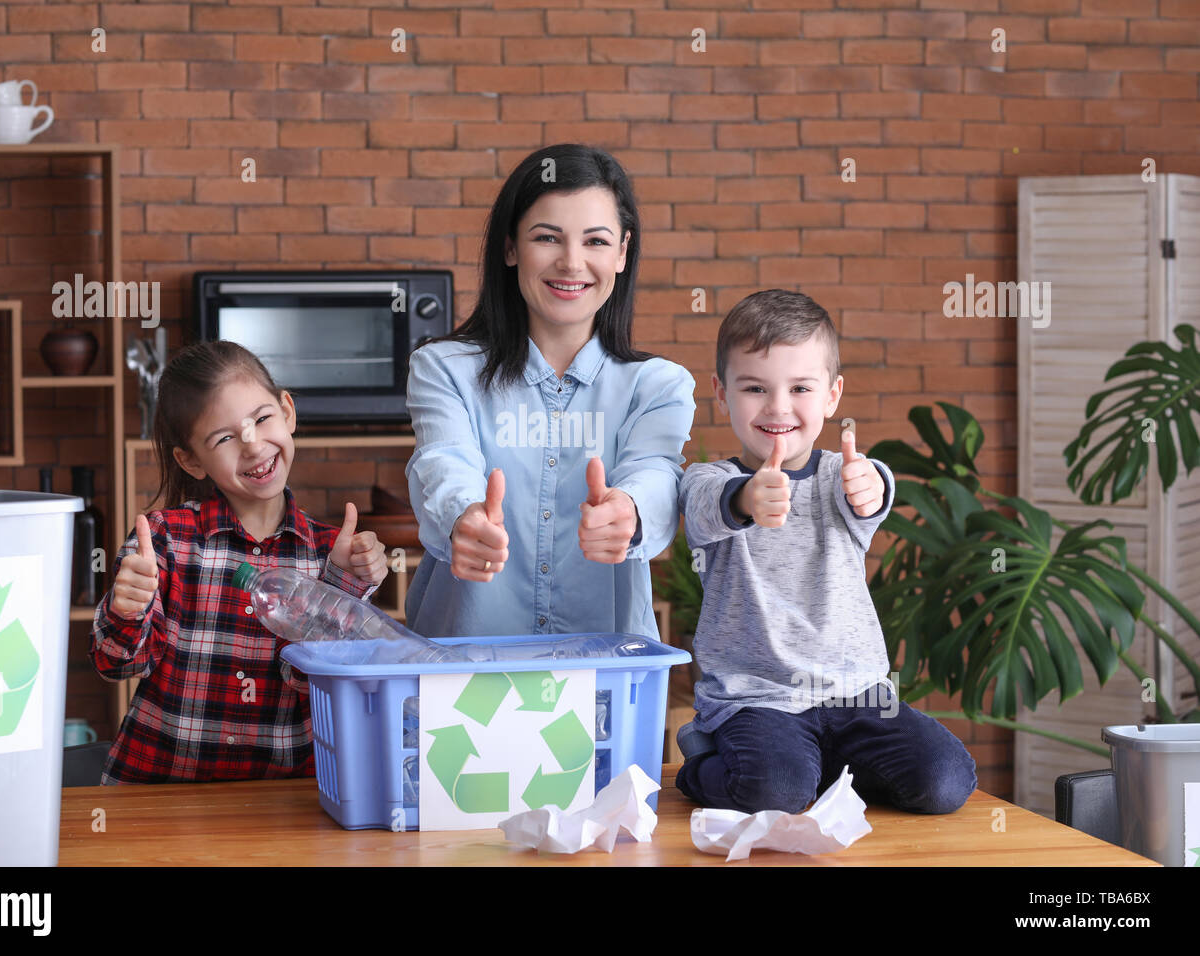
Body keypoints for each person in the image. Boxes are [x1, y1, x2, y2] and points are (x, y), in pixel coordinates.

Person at [674, 290, 976, 814]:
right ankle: (701, 760)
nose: (778, 407)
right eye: (754, 388)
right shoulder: (710, 481)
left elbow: (872, 488)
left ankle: (824, 772)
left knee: (945, 781)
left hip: (859, 696)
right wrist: (748, 497)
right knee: (774, 794)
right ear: (721, 394)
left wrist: (871, 485)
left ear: (832, 396)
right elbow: (708, 508)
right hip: (758, 700)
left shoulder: (842, 475)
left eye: (800, 388)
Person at [405, 143, 696, 640]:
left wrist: (628, 508)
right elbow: (444, 460)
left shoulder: (659, 385)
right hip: (465, 675)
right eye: (547, 237)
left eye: (596, 242)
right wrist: (465, 516)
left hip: (606, 678)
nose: (571, 262)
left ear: (623, 253)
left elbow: (656, 472)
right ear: (511, 247)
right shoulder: (443, 368)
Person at [90, 340, 388, 783]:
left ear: (287, 411)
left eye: (262, 418)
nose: (252, 446)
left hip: (286, 804)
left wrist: (342, 586)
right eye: (225, 438)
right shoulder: (161, 540)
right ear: (191, 460)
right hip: (159, 795)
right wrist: (125, 609)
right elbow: (119, 665)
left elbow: (330, 684)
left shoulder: (330, 552)